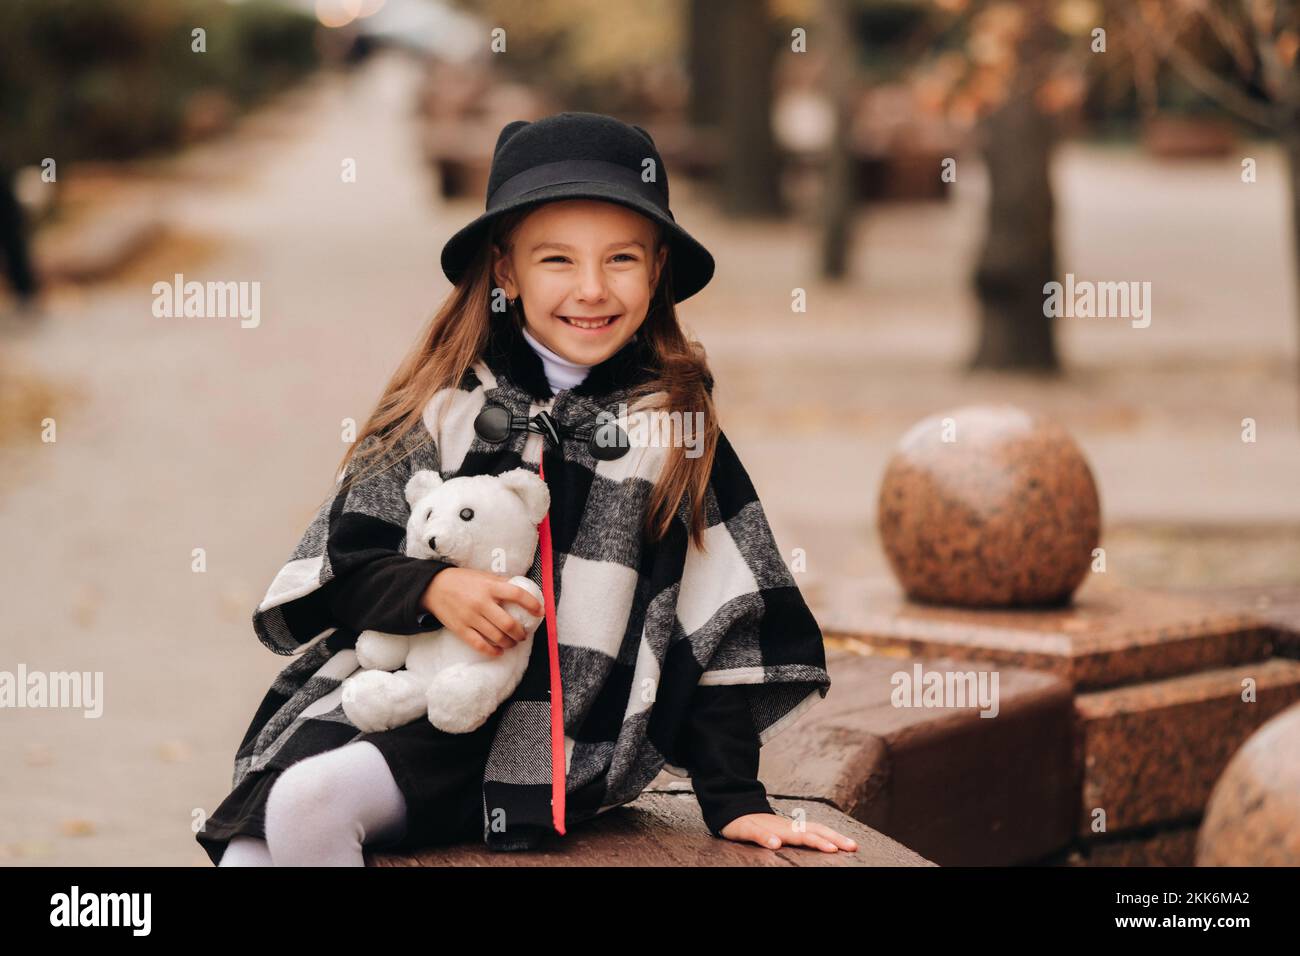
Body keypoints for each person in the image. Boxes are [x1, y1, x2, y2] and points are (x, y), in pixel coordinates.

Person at [199, 112, 850, 866]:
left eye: (621, 260)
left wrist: (736, 800)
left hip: (548, 739)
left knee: (309, 806)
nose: (591, 289)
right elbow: (345, 567)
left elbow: (717, 620)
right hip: (403, 693)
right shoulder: (441, 405)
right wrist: (434, 590)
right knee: (251, 840)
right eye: (556, 261)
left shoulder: (671, 433)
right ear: (505, 270)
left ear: (659, 266)